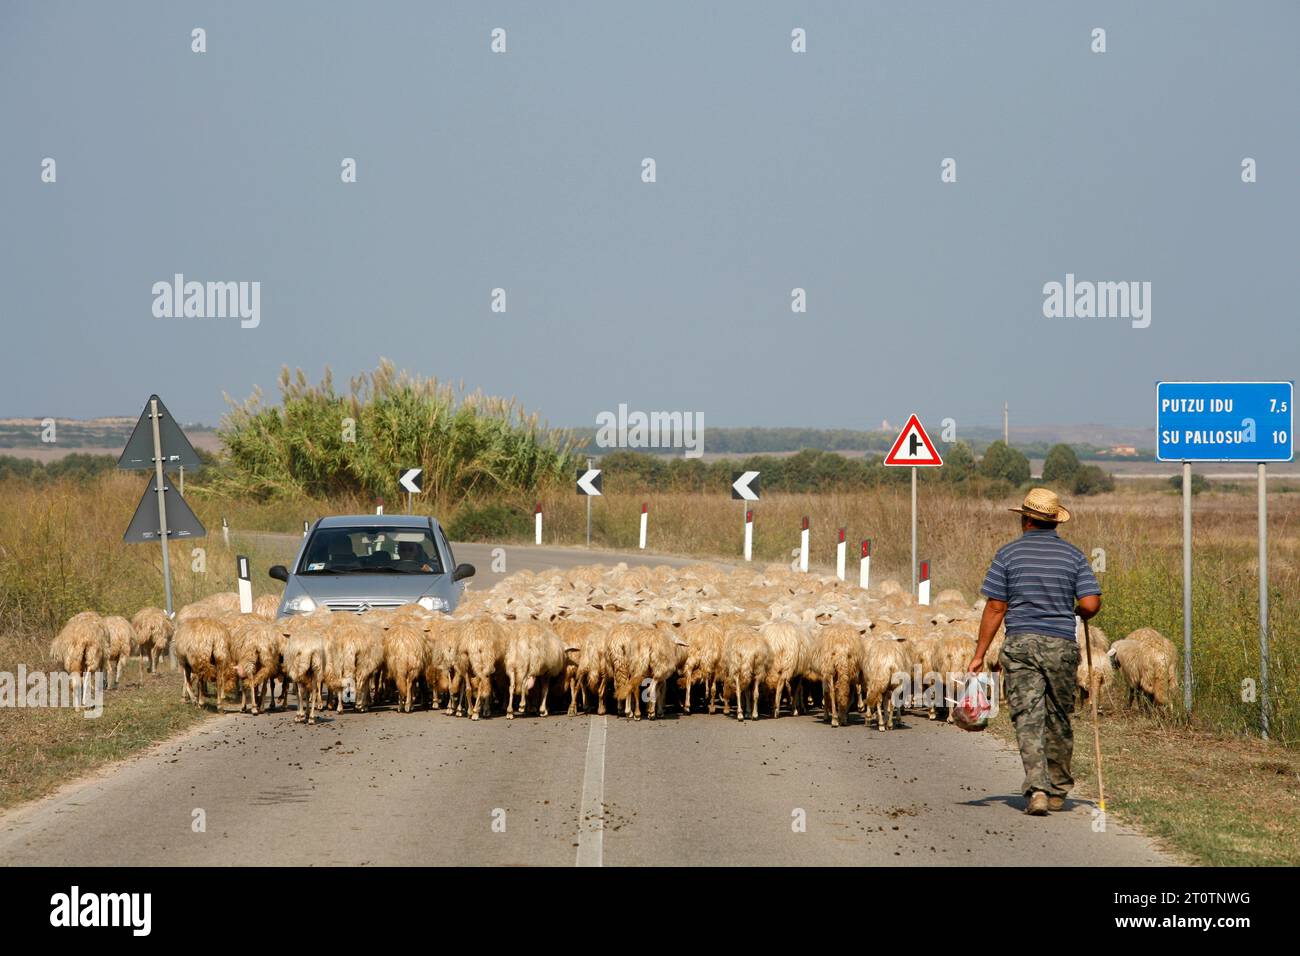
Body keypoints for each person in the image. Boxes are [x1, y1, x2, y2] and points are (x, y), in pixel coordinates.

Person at [967, 487, 1101, 816]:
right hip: (1061, 646)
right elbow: (1090, 603)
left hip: (1022, 644)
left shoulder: (1007, 555)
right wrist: (1080, 612)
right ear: (1055, 521)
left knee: (1027, 717)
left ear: (1026, 519)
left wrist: (979, 653)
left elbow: (996, 607)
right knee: (1058, 716)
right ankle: (1058, 789)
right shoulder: (1074, 556)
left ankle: (1037, 788)